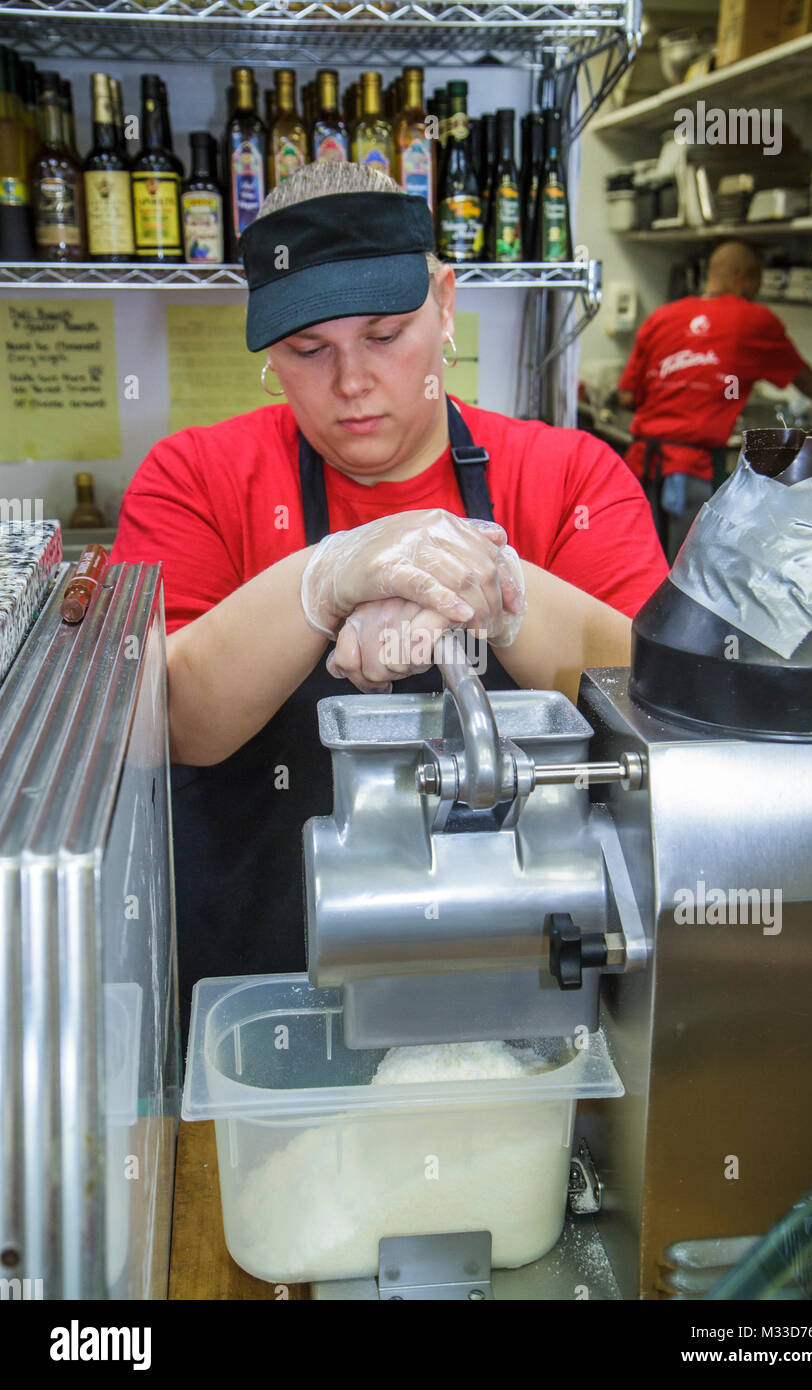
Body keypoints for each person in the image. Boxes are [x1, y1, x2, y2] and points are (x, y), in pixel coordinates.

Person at [109, 162, 669, 1043]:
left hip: (527, 995)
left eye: (384, 333)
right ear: (266, 349)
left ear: (445, 304)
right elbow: (177, 720)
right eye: (308, 349)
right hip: (270, 1001)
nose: (352, 383)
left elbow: (652, 699)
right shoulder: (195, 479)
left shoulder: (569, 476)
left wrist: (496, 594)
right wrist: (328, 578)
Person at [616, 239, 812, 562]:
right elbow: (799, 372)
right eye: (757, 279)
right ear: (740, 275)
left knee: (641, 568)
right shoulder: (753, 321)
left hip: (640, 469)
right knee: (689, 580)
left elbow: (626, 396)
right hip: (693, 472)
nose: (757, 289)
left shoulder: (662, 318)